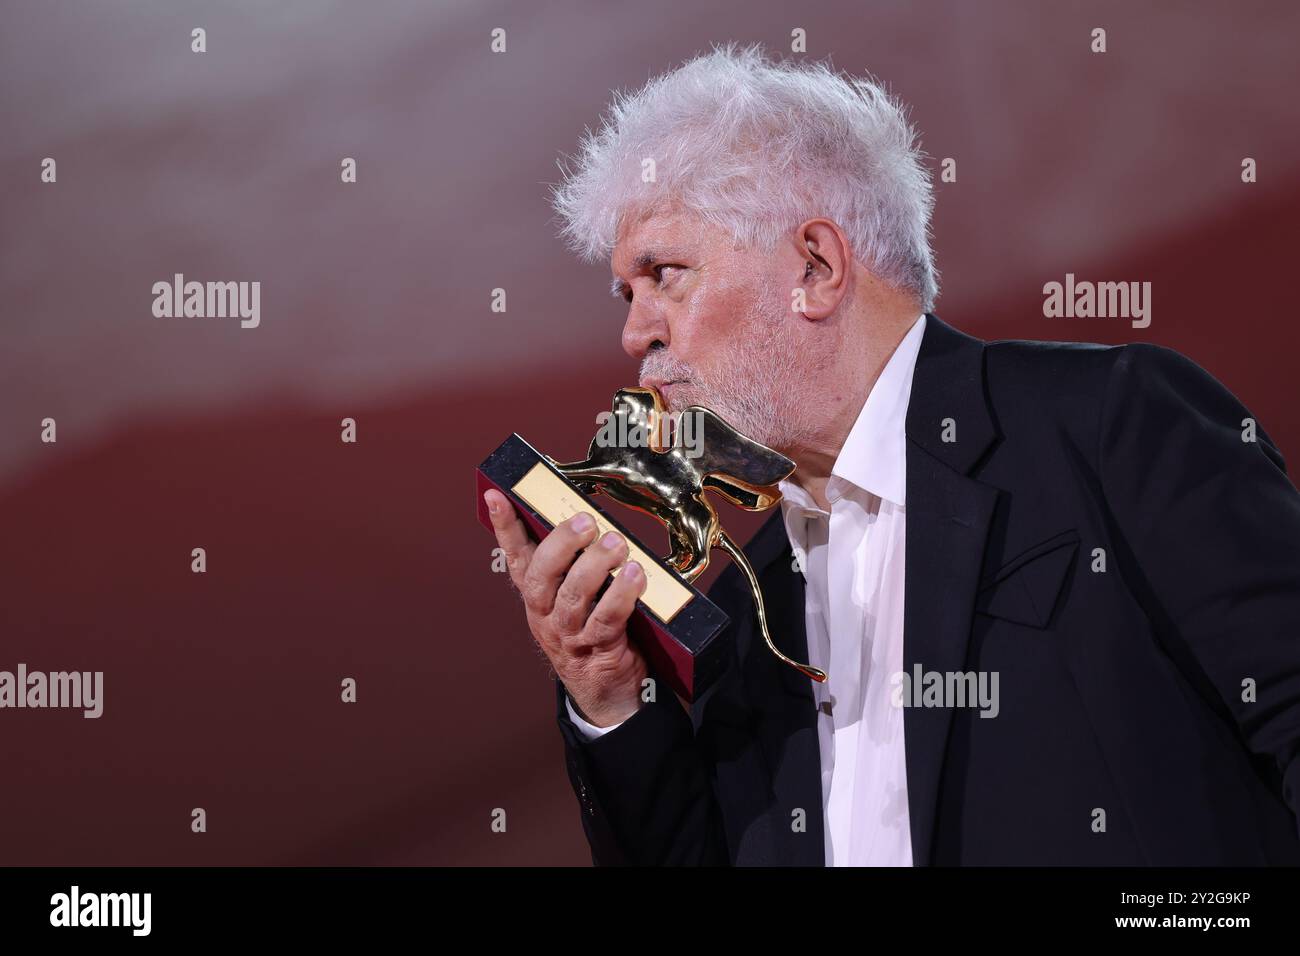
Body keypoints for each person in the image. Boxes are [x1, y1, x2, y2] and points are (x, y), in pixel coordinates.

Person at [483, 42, 1300, 865]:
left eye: (665, 274)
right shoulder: (745, 606)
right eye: (628, 293)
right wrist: (610, 695)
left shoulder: (1110, 427)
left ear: (817, 265)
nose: (636, 332)